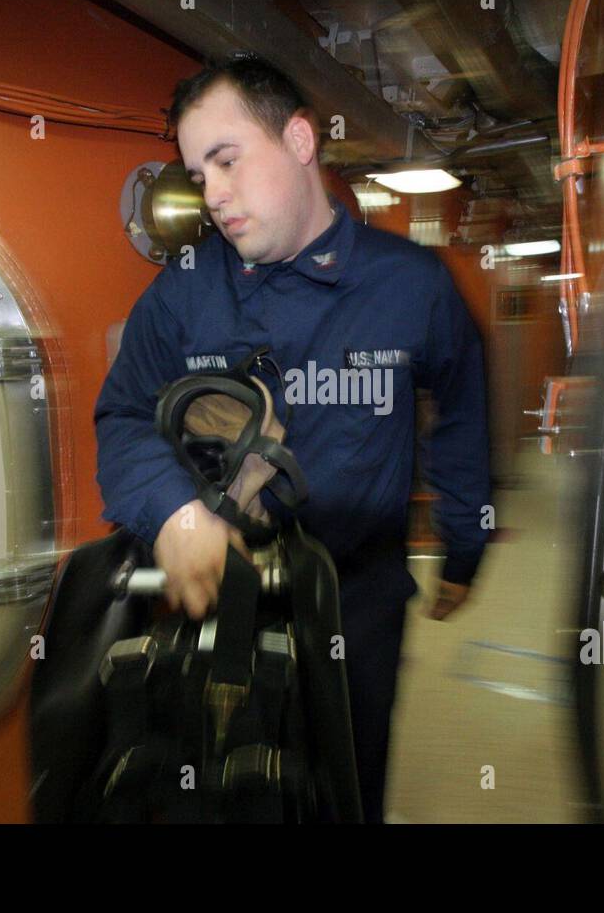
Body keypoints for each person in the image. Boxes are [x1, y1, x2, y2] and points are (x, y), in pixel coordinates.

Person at [94, 56, 491, 822]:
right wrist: (173, 512)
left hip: (358, 603)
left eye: (227, 160)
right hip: (222, 593)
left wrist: (463, 545)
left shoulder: (411, 284)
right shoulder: (182, 288)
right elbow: (122, 416)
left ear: (301, 140)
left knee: (346, 783)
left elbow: (464, 414)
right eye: (197, 172)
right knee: (226, 787)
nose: (212, 194)